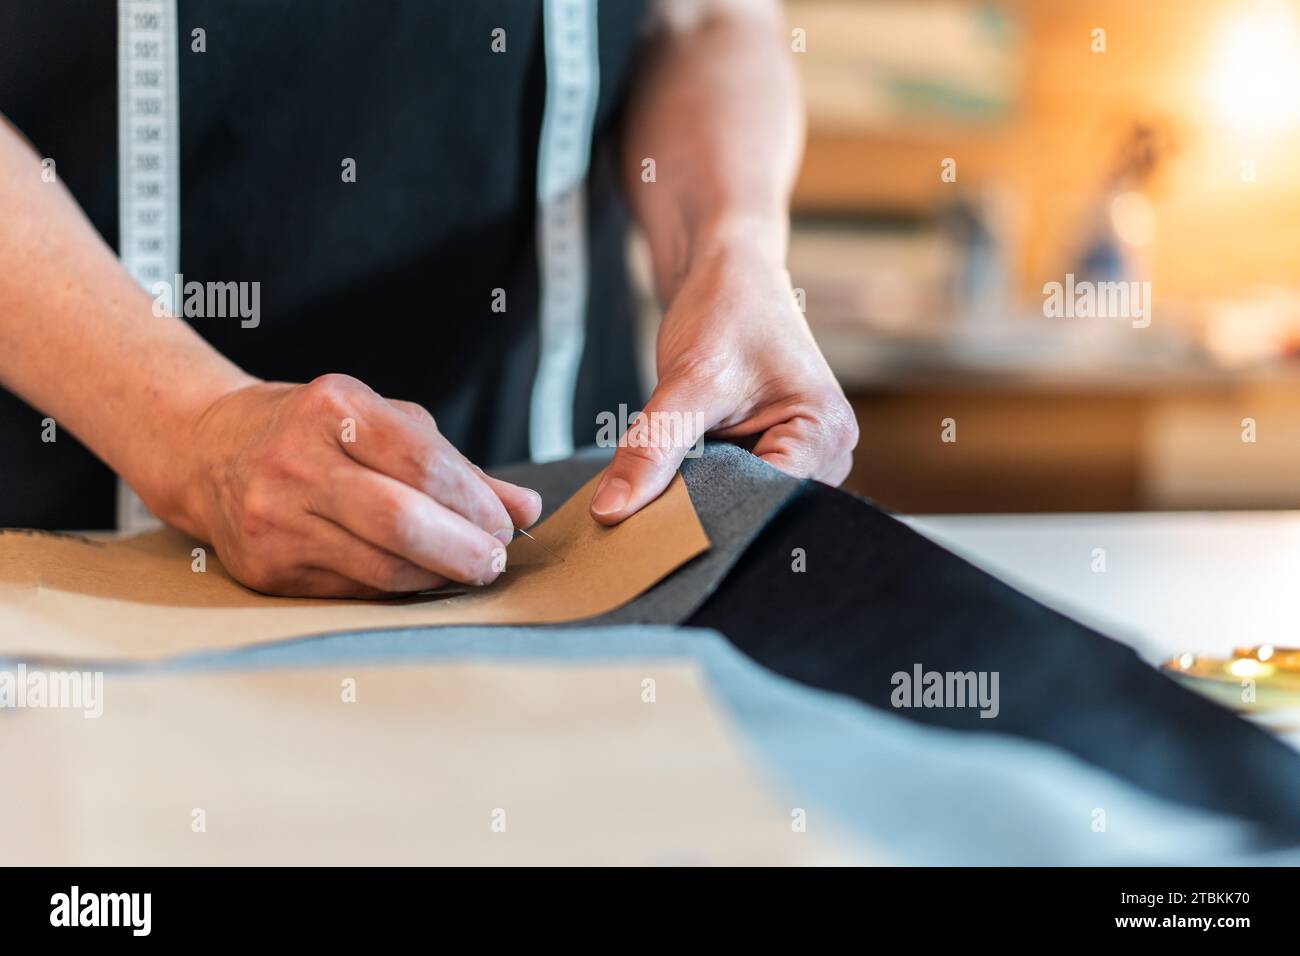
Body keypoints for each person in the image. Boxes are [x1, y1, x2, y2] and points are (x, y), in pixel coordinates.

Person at [0, 0, 855, 596]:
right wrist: (192, 431)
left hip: (571, 529)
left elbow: (704, 17)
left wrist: (729, 255)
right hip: (68, 542)